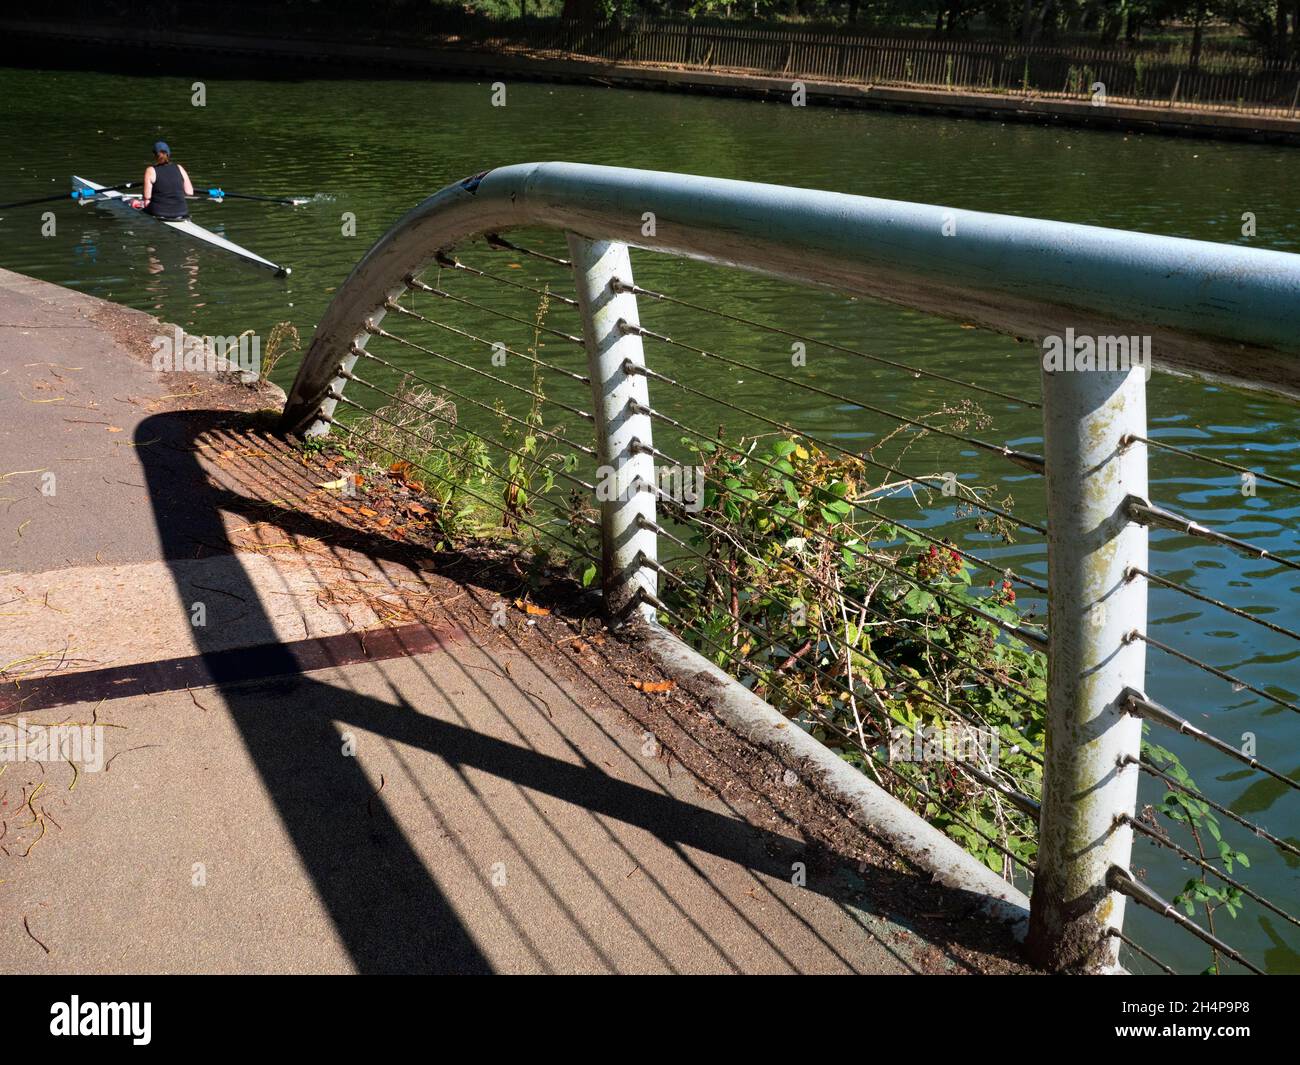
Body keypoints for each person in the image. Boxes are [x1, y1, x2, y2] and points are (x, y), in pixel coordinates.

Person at [130, 141, 194, 220]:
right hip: (182, 212)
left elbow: (147, 196)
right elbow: (190, 192)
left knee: (135, 202)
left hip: (159, 212)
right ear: (169, 154)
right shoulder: (179, 168)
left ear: (154, 155)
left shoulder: (150, 170)